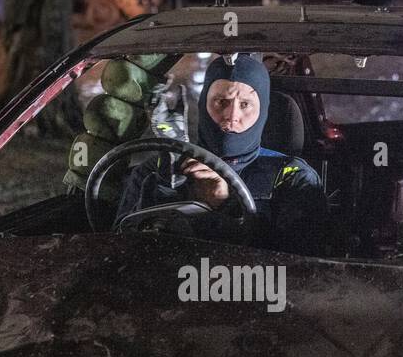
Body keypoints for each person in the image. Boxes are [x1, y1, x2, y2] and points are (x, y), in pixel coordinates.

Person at [113, 55, 327, 256]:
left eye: (245, 104)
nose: (232, 116)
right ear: (204, 105)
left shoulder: (292, 176)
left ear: (262, 111)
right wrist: (166, 186)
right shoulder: (154, 170)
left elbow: (303, 270)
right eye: (221, 102)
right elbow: (118, 251)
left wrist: (225, 205)